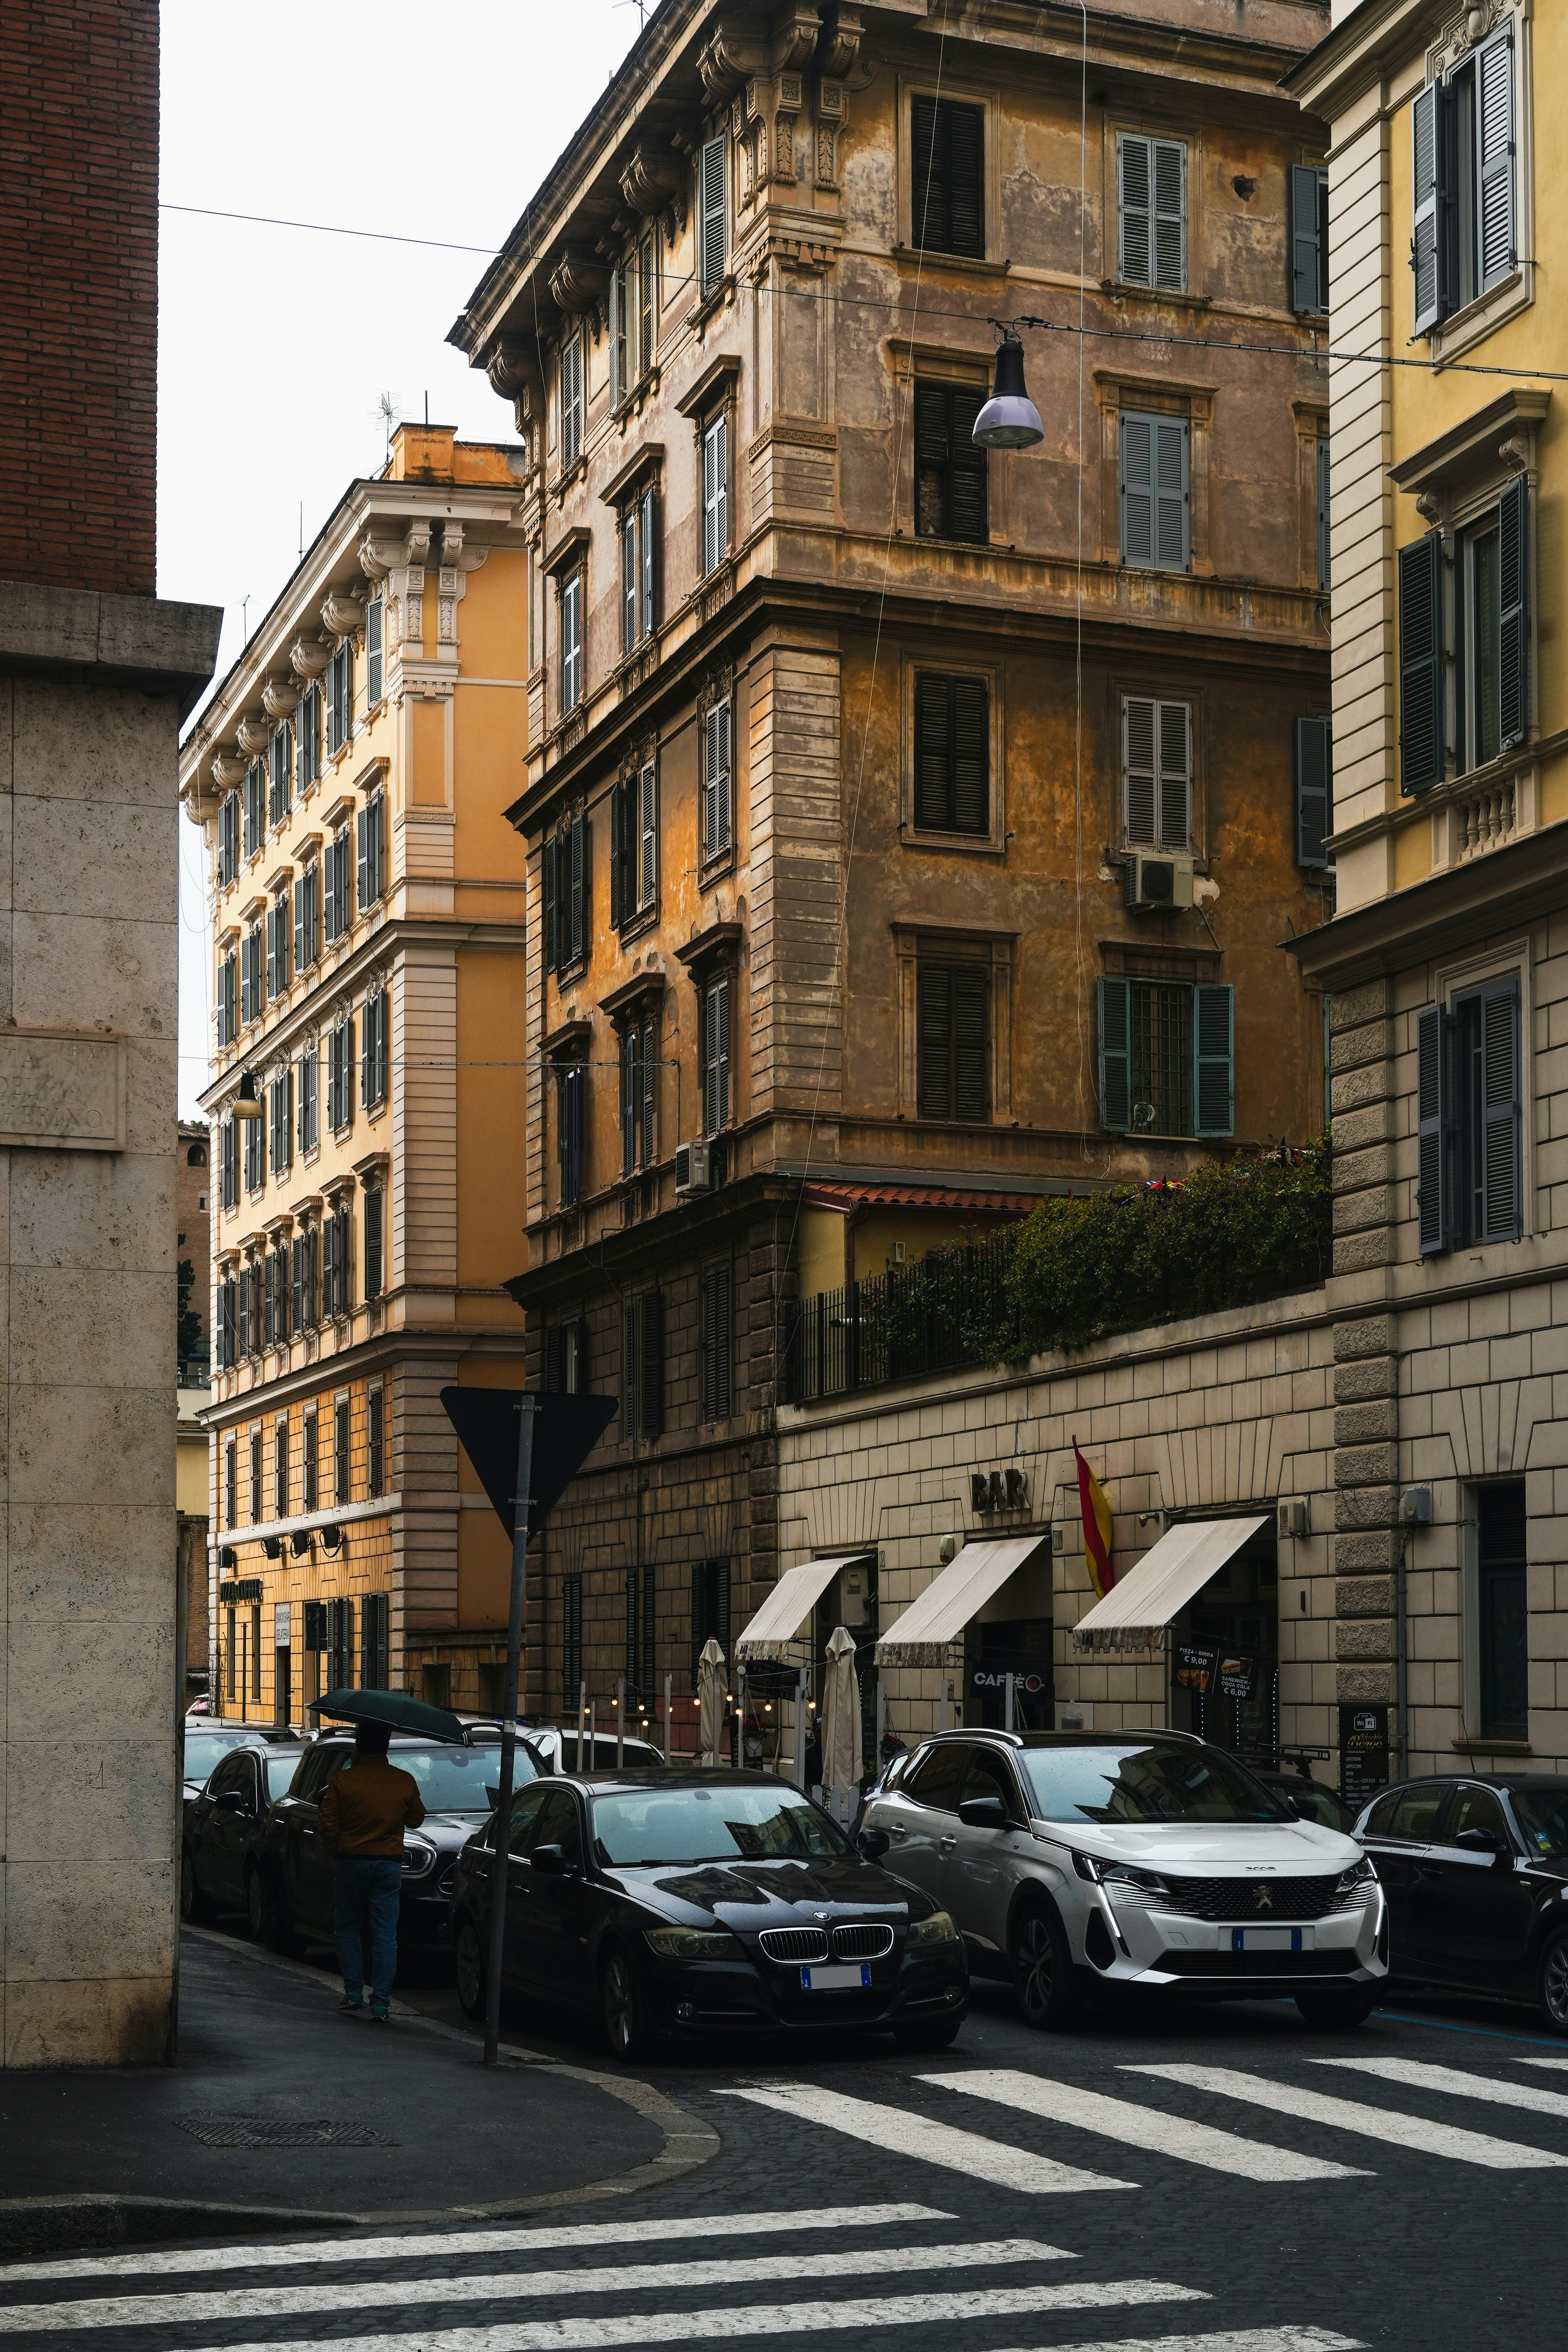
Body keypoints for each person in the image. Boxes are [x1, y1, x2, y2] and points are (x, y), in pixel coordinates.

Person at [318, 1721, 425, 2021]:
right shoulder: (403, 1781)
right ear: (387, 1746)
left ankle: (353, 1991)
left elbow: (327, 1825)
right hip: (389, 1864)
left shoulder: (342, 1781)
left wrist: (336, 1852)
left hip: (352, 1861)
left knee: (348, 1928)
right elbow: (417, 1819)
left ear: (359, 1746)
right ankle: (381, 2002)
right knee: (385, 1935)